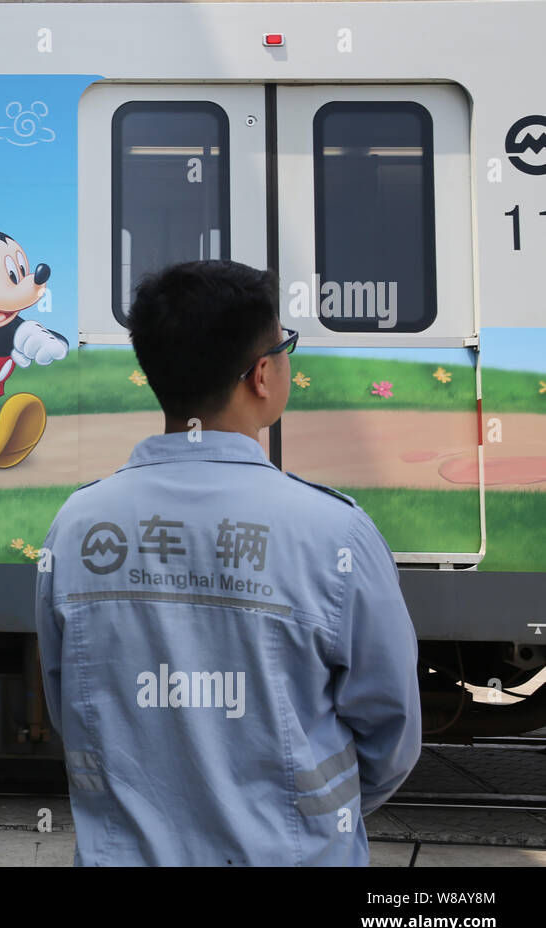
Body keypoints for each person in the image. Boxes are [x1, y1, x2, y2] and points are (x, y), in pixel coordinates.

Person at [35, 260, 422, 865]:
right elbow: (390, 734)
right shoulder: (335, 532)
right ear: (261, 375)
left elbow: (73, 714)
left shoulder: (76, 527)